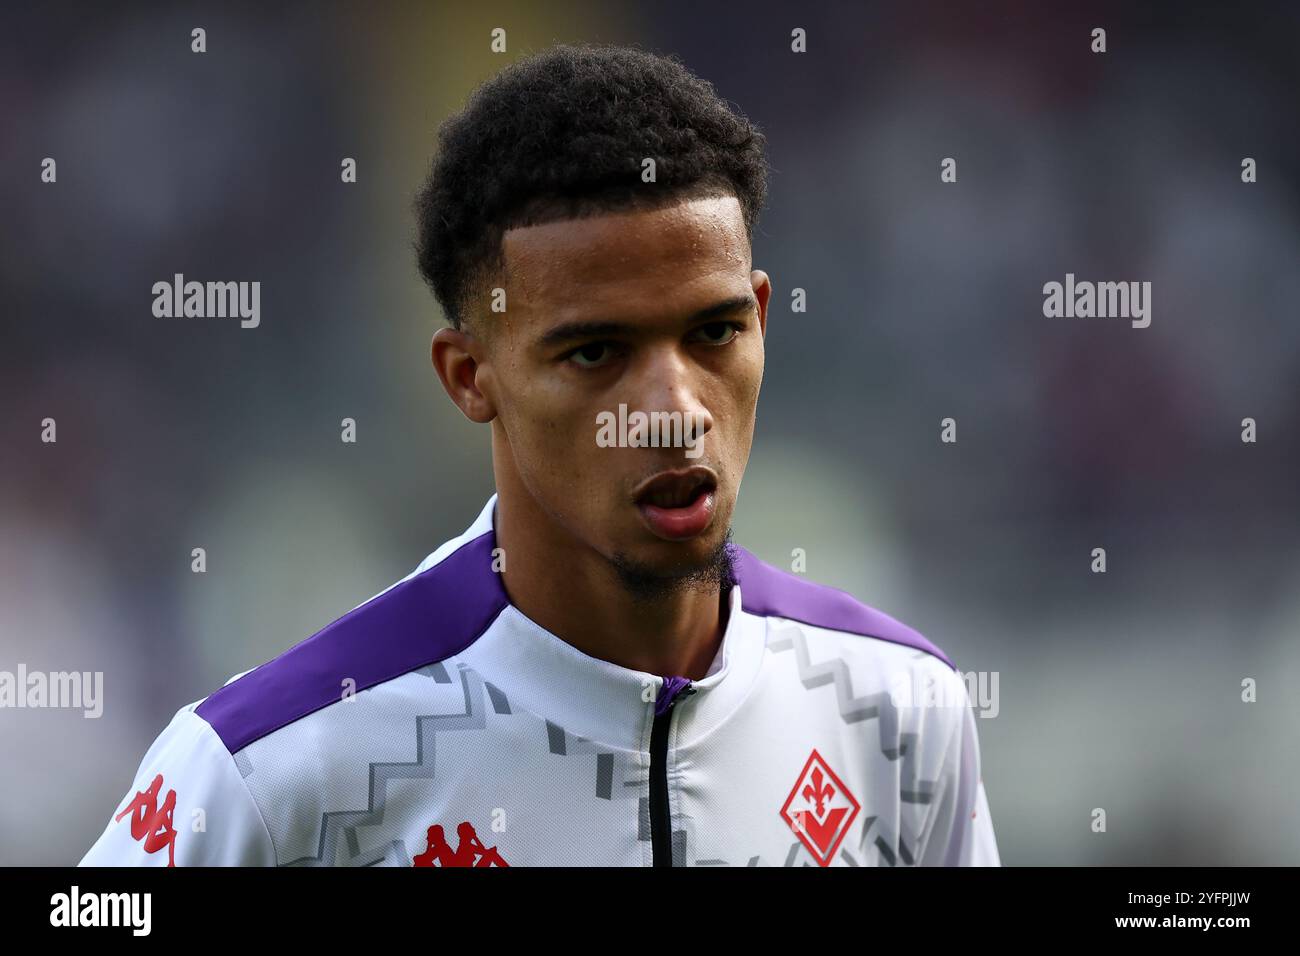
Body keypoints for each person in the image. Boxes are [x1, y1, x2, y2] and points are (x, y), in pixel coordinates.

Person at [79, 43, 999, 867]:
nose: (674, 412)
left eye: (714, 332)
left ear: (761, 317)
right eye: (596, 353)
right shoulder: (266, 771)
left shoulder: (901, 711)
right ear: (470, 375)